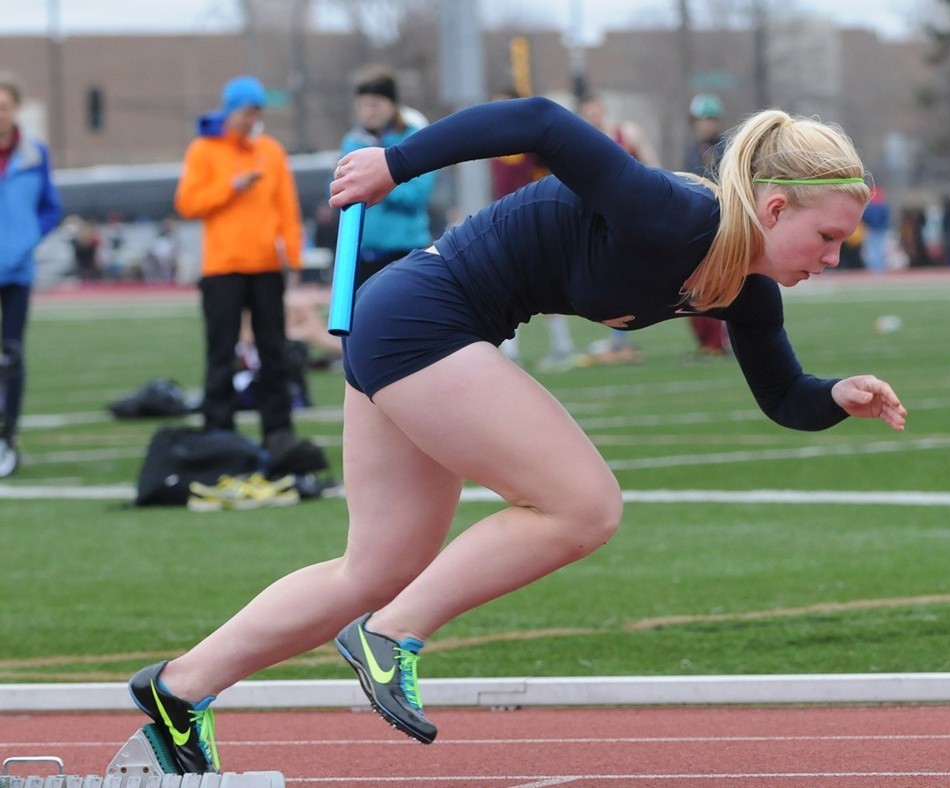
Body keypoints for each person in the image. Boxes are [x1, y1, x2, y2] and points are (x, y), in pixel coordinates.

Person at [124, 96, 905, 773]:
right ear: (775, 209)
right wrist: (395, 164)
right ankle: (390, 636)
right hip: (421, 319)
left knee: (377, 568)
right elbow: (538, 122)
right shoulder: (671, 212)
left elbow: (784, 397)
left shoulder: (747, 291)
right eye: (828, 237)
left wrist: (838, 395)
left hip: (411, 326)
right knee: (584, 505)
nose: (834, 258)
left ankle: (179, 689)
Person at [173, 76, 310, 462]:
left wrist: (294, 258)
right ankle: (219, 431)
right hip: (222, 268)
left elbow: (287, 209)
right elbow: (187, 203)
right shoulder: (204, 149)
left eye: (257, 112)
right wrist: (230, 187)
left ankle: (278, 432)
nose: (252, 120)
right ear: (230, 111)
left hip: (266, 266)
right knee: (221, 353)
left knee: (273, 352)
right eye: (247, 112)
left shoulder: (271, 151)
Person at [0, 73, 64, 478]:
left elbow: (51, 207)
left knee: (12, 355)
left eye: (3, 106)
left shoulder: (33, 154)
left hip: (17, 271)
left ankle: (8, 435)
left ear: (15, 108)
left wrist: (27, 237)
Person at [485, 88, 571, 373]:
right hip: (504, 219)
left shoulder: (531, 139)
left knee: (547, 284)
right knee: (505, 285)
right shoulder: (490, 142)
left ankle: (562, 346)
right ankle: (510, 352)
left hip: (535, 218)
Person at [340, 69, 435, 290]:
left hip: (404, 253)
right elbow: (339, 191)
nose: (368, 112)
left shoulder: (414, 139)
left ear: (392, 105)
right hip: (361, 254)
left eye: (375, 105)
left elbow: (417, 195)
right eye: (362, 105)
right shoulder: (352, 141)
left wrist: (378, 180)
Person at [578, 93, 655, 364]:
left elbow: (654, 167)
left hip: (633, 216)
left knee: (627, 275)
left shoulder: (626, 133)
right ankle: (619, 339)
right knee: (613, 277)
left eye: (595, 111)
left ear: (603, 110)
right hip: (604, 219)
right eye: (588, 114)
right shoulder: (582, 145)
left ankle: (621, 339)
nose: (593, 117)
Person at [683, 93, 731, 358]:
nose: (705, 124)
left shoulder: (726, 149)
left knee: (717, 286)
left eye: (710, 119)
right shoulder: (692, 151)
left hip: (721, 225)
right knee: (691, 288)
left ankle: (720, 342)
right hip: (696, 225)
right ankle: (706, 343)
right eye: (701, 119)